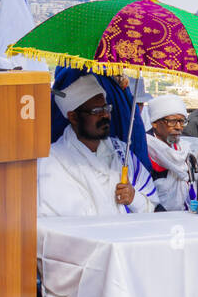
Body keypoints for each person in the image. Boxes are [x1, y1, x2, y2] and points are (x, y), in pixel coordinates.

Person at [38, 74, 159, 217]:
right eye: (96, 111)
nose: (106, 115)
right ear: (73, 117)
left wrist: (134, 198)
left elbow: (152, 206)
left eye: (106, 108)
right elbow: (50, 222)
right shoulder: (52, 161)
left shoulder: (122, 153)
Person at [144, 95, 197, 211]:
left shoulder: (183, 149)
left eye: (182, 121)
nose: (179, 127)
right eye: (172, 122)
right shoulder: (145, 149)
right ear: (155, 123)